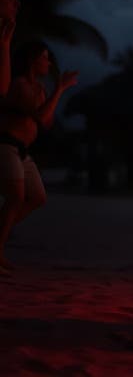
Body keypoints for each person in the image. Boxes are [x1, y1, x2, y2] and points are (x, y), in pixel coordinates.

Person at [0, 40, 78, 274]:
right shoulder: (19, 85)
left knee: (37, 197)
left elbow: (46, 122)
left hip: (23, 151)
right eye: (44, 57)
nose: (48, 62)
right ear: (32, 60)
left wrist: (53, 94)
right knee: (15, 197)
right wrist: (60, 89)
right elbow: (39, 116)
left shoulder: (40, 89)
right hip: (7, 145)